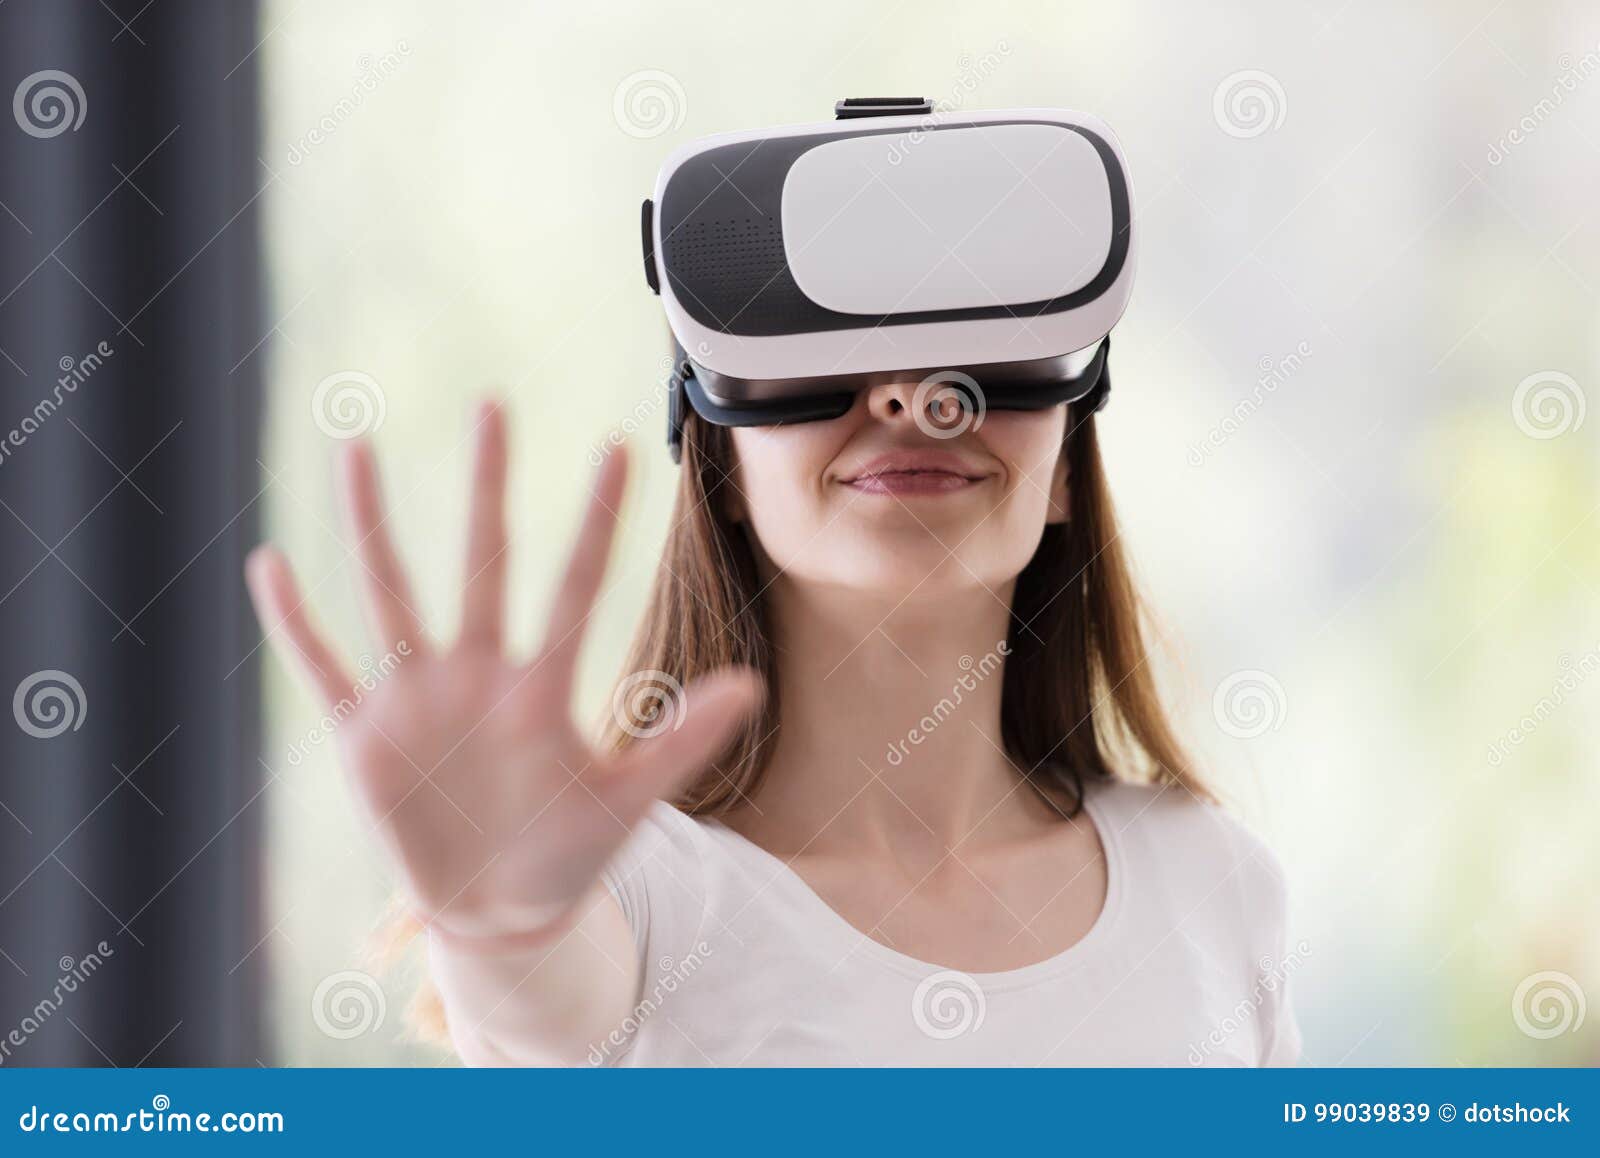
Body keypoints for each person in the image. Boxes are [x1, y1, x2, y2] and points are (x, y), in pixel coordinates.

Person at [245, 378, 1300, 1066]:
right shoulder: (644, 890)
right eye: (822, 355)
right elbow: (539, 1005)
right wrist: (493, 920)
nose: (915, 398)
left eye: (983, 349)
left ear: (1067, 460)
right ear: (725, 463)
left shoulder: (1211, 878)